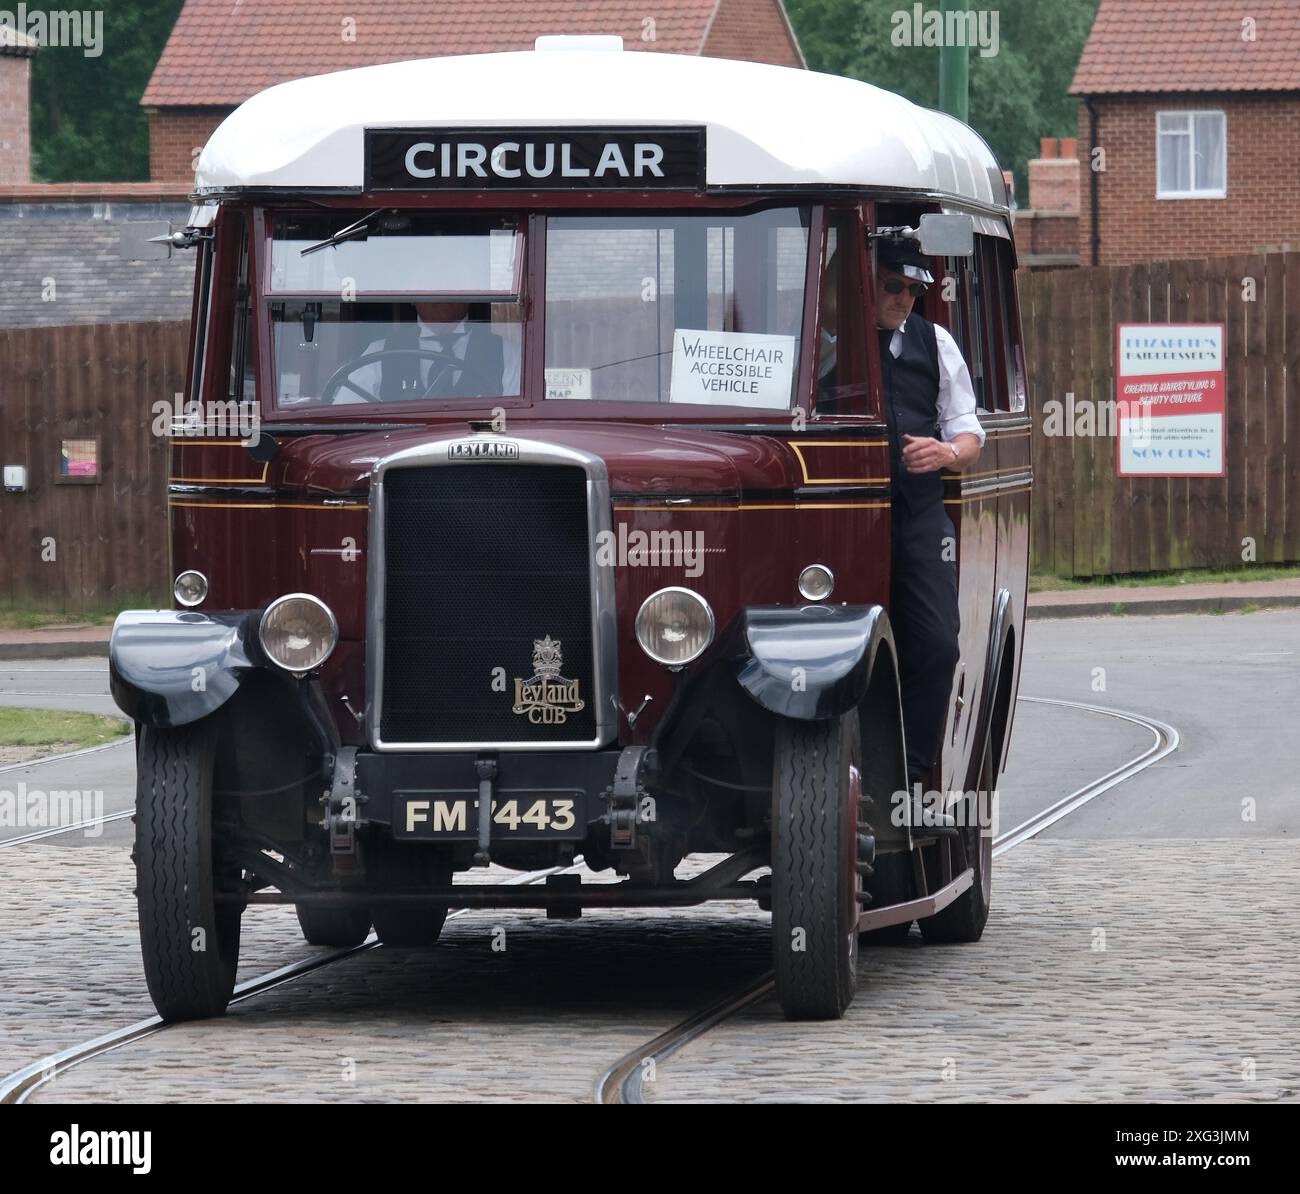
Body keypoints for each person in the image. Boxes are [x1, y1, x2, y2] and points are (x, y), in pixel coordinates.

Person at [874, 238, 984, 785]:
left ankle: (912, 775)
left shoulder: (935, 341)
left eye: (914, 290)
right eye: (892, 286)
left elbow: (969, 432)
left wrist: (945, 452)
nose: (903, 300)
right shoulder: (822, 341)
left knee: (939, 643)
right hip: (845, 516)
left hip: (919, 516)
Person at [341, 301, 520, 403]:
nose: (442, 292)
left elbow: (517, 424)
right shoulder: (378, 353)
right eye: (431, 281)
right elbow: (346, 416)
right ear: (412, 293)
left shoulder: (506, 353)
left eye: (450, 281)